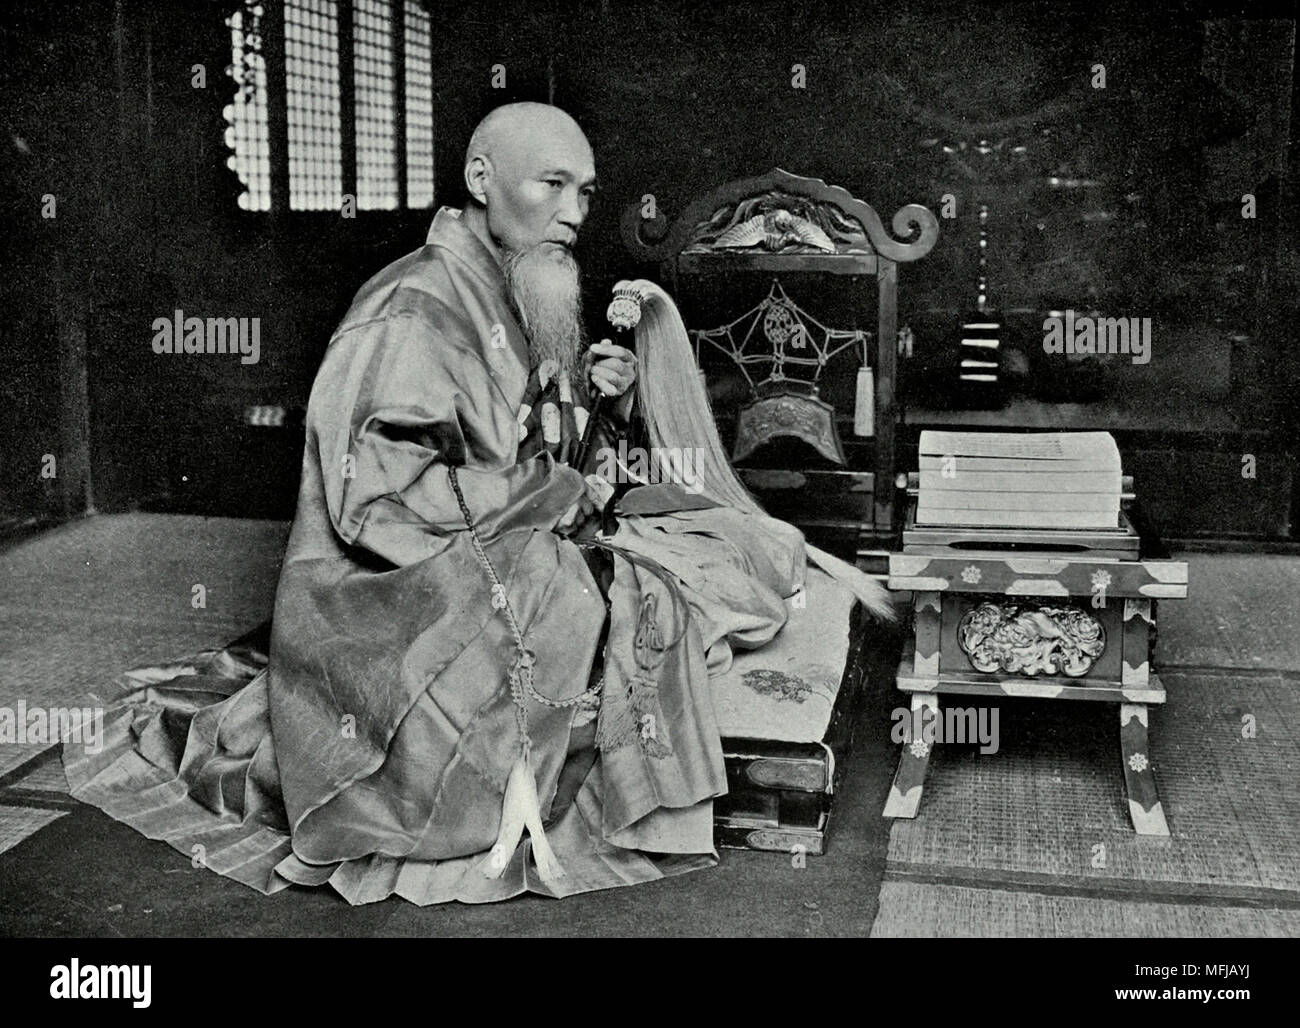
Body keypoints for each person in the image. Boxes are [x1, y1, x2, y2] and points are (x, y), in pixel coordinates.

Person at [66, 102, 807, 905]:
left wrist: (598, 412)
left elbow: (524, 449)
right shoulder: (409, 309)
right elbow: (375, 499)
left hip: (487, 540)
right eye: (552, 184)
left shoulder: (514, 286)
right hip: (387, 587)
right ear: (480, 179)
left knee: (722, 551)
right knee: (623, 597)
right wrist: (549, 493)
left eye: (587, 193)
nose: (573, 213)